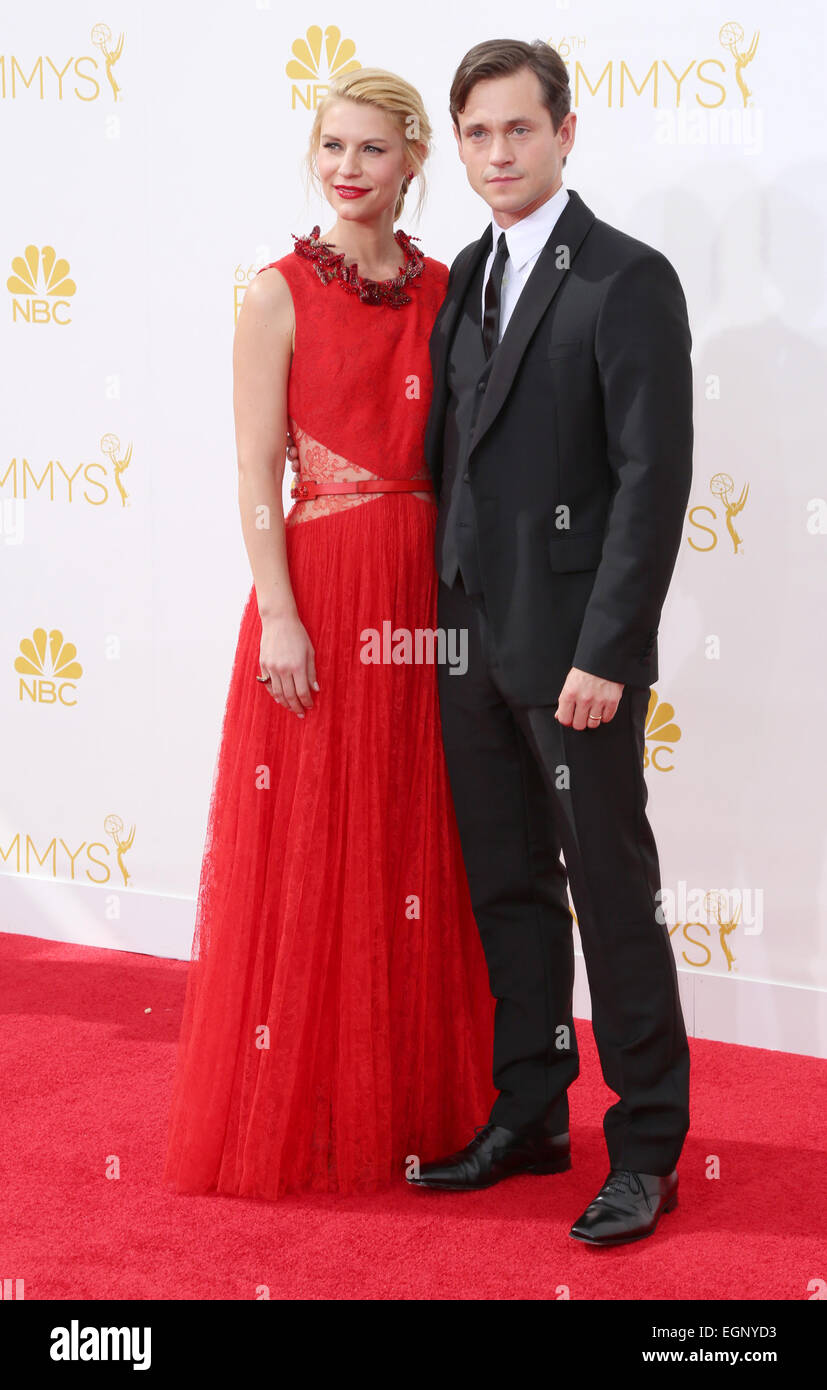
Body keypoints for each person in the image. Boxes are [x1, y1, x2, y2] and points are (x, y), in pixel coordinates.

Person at [162, 67, 496, 1201]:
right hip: (321, 583)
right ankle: (303, 1097)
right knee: (312, 840)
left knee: (409, 839)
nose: (346, 170)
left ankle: (407, 1097)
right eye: (331, 148)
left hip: (423, 589)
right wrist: (282, 616)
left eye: (370, 151)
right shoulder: (273, 292)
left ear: (414, 161)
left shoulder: (448, 290)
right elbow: (257, 470)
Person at [401, 38, 693, 1246]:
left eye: (519, 130)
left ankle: (647, 1147)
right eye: (476, 134)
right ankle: (529, 1110)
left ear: (565, 133)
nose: (498, 153)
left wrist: (607, 650)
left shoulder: (624, 279)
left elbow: (650, 478)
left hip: (576, 655)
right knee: (506, 888)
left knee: (609, 895)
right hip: (468, 637)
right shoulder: (466, 271)